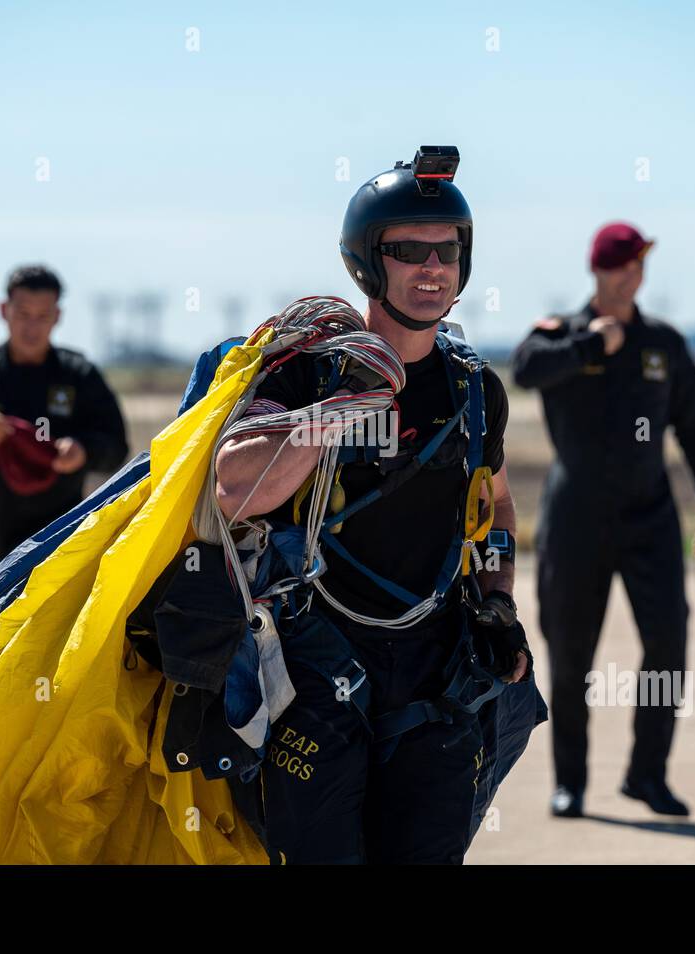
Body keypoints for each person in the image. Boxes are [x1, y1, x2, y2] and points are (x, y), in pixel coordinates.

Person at [212, 148, 538, 864]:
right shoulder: (306, 369)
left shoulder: (473, 389)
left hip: (435, 667)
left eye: (447, 251)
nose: (433, 268)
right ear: (367, 263)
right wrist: (335, 409)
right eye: (409, 251)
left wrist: (497, 601)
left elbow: (499, 508)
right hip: (312, 667)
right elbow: (233, 488)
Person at [511, 222, 695, 818]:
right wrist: (590, 348)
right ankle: (570, 782)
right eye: (621, 266)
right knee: (571, 651)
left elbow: (694, 426)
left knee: (667, 641)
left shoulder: (663, 344)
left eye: (639, 265)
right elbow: (525, 370)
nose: (632, 276)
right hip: (576, 518)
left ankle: (647, 776)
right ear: (598, 271)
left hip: (649, 517)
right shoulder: (563, 334)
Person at [0, 265, 129, 590]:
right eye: (23, 313)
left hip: (59, 531)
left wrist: (83, 451)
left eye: (42, 316)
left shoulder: (79, 375)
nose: (31, 326)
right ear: (4, 310)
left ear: (57, 316)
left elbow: (116, 445)